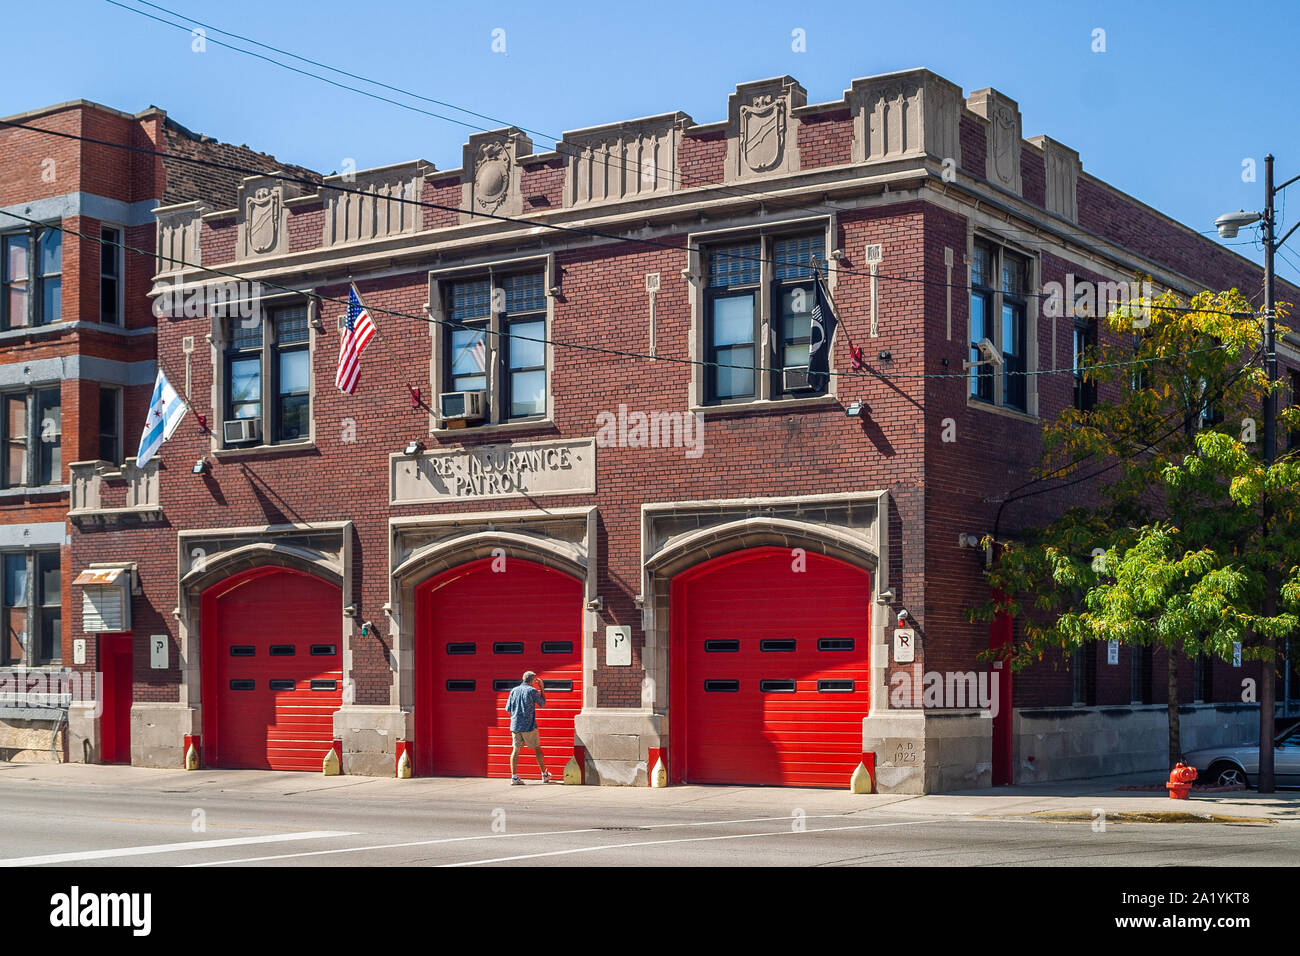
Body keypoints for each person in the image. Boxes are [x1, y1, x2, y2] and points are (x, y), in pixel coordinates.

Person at [505, 670, 549, 785]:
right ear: (532, 680)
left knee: (515, 750)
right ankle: (544, 775)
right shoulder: (532, 690)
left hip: (515, 726)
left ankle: (514, 777)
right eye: (535, 680)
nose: (536, 682)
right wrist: (542, 688)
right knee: (537, 748)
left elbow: (508, 709)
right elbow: (542, 703)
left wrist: (515, 719)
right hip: (529, 726)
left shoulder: (513, 691)